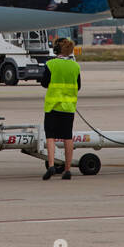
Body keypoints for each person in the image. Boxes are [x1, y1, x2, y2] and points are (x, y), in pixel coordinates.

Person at [40, 37, 81, 180]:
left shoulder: (51, 64)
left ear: (56, 50)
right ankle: (68, 169)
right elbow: (79, 86)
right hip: (69, 107)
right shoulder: (75, 66)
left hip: (52, 106)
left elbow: (44, 83)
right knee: (67, 137)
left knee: (50, 137)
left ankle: (51, 166)